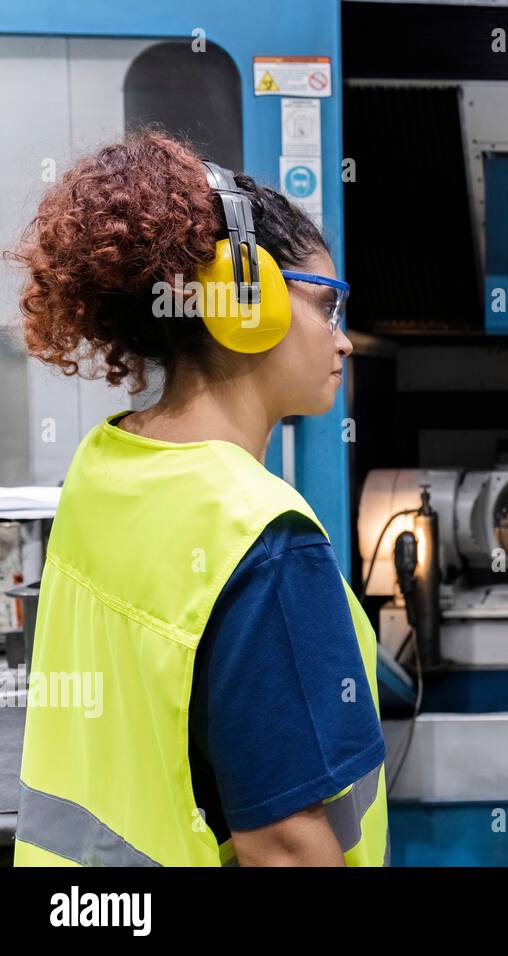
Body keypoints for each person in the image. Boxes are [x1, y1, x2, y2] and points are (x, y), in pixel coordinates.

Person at [12, 132, 388, 866]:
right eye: (327, 306)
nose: (343, 342)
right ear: (248, 301)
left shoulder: (105, 468)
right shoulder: (258, 533)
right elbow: (285, 847)